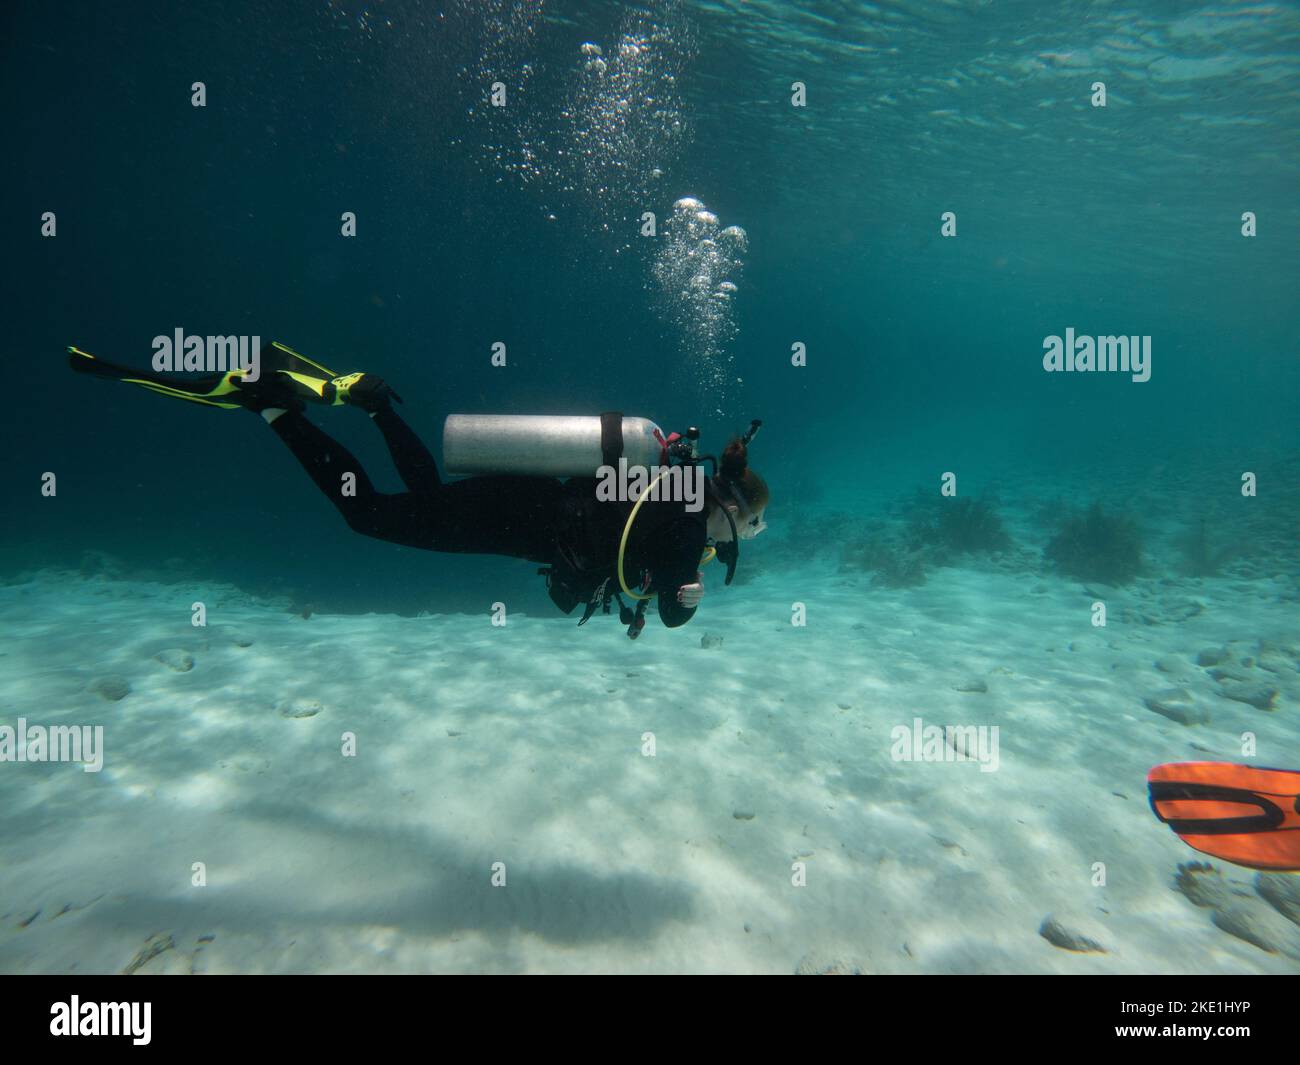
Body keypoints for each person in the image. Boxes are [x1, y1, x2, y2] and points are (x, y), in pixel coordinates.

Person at [68, 341, 769, 636]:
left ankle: (375, 404)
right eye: (755, 526)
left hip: (523, 503)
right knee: (368, 515)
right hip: (514, 521)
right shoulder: (687, 526)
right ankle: (273, 405)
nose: (749, 538)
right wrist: (691, 588)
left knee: (426, 493)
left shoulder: (678, 486)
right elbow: (672, 614)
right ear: (734, 511)